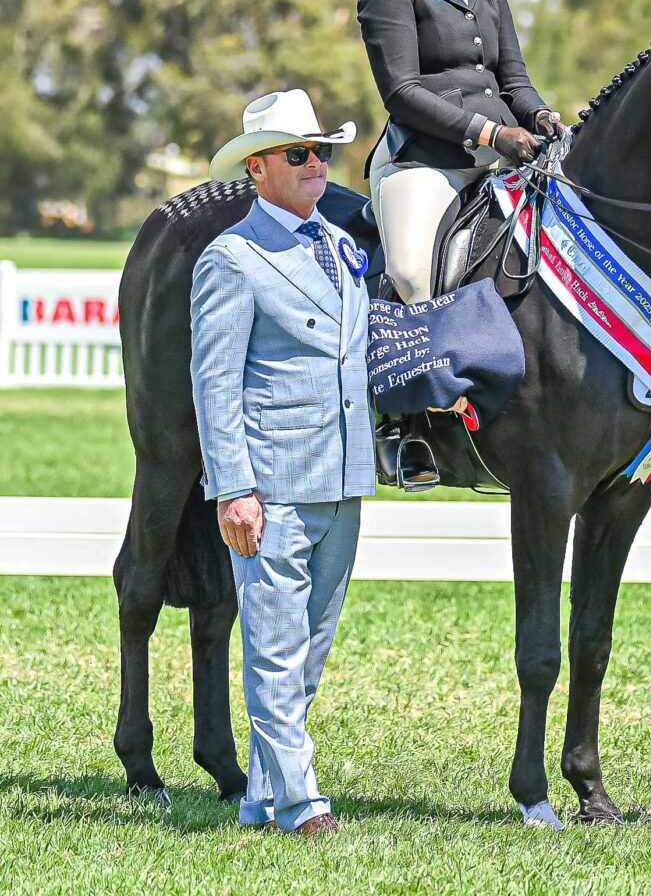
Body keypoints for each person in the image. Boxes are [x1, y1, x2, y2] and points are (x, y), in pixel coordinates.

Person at [194, 89, 376, 836]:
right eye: (300, 153)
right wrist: (234, 486)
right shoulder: (231, 258)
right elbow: (214, 381)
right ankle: (303, 805)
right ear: (259, 168)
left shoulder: (336, 245)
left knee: (308, 657)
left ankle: (261, 800)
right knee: (273, 649)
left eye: (322, 150)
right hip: (270, 486)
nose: (316, 165)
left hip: (343, 479)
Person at [358, 0, 563, 487]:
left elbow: (514, 78)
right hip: (424, 161)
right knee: (415, 273)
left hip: (502, 156)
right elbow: (402, 92)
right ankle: (403, 427)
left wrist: (539, 118)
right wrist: (486, 132)